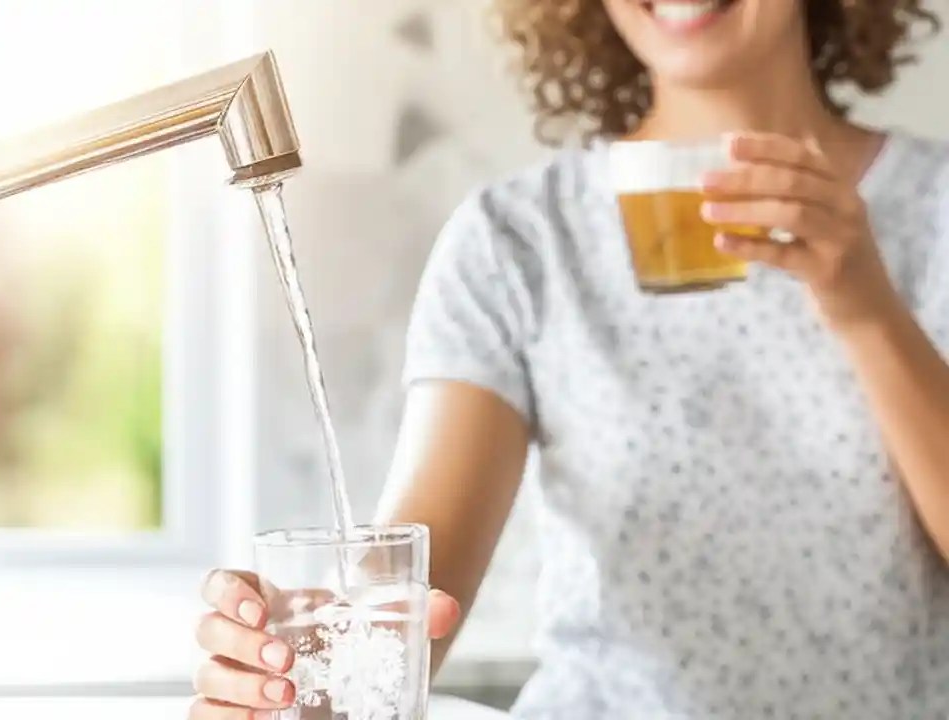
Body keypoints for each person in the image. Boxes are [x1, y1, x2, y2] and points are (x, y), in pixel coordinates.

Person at [189, 0, 949, 716]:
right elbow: (415, 600)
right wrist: (294, 657)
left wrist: (865, 308)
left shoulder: (937, 207)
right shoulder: (516, 240)